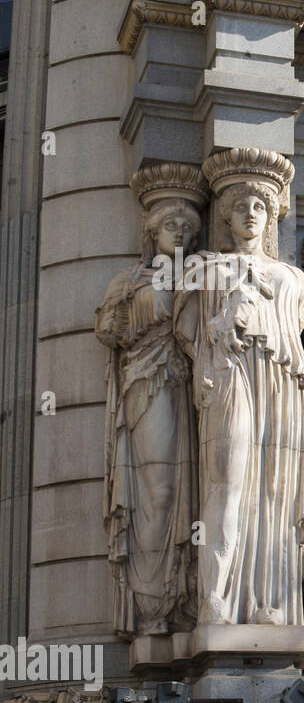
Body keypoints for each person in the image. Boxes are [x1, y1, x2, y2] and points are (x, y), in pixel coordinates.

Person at [174, 148, 304, 626]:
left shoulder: (293, 278)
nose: (251, 214)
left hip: (279, 383)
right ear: (227, 216)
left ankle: (267, 602)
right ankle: (215, 597)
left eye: (260, 206)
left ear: (272, 217)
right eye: (242, 206)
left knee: (273, 495)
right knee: (228, 482)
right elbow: (187, 331)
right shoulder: (207, 269)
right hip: (230, 377)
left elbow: (292, 328)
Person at [94, 165, 205, 636]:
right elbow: (108, 331)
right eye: (169, 226)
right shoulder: (130, 280)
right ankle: (152, 603)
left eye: (186, 227)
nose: (178, 232)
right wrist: (131, 306)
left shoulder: (204, 273)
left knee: (197, 494)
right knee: (155, 491)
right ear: (152, 231)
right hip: (146, 385)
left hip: (192, 386)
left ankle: (186, 596)